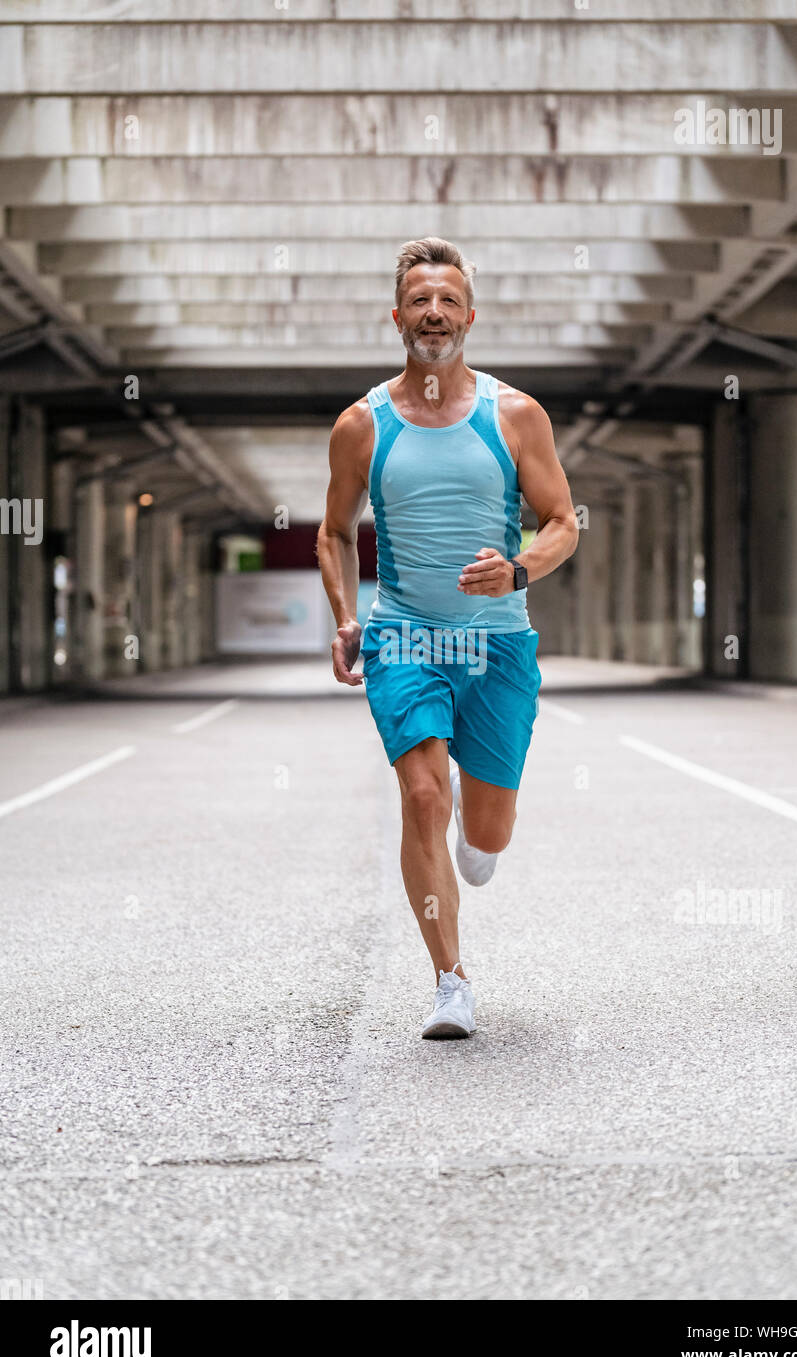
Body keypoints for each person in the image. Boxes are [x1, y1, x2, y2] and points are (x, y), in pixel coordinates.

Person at [317, 237, 578, 1039]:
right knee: (423, 795)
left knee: (487, 832)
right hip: (404, 633)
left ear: (470, 315)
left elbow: (564, 523)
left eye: (448, 301)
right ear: (399, 318)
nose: (435, 313)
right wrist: (346, 618)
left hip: (497, 641)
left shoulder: (516, 415)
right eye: (420, 301)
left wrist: (521, 570)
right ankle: (450, 982)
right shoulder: (363, 424)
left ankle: (481, 821)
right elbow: (332, 534)